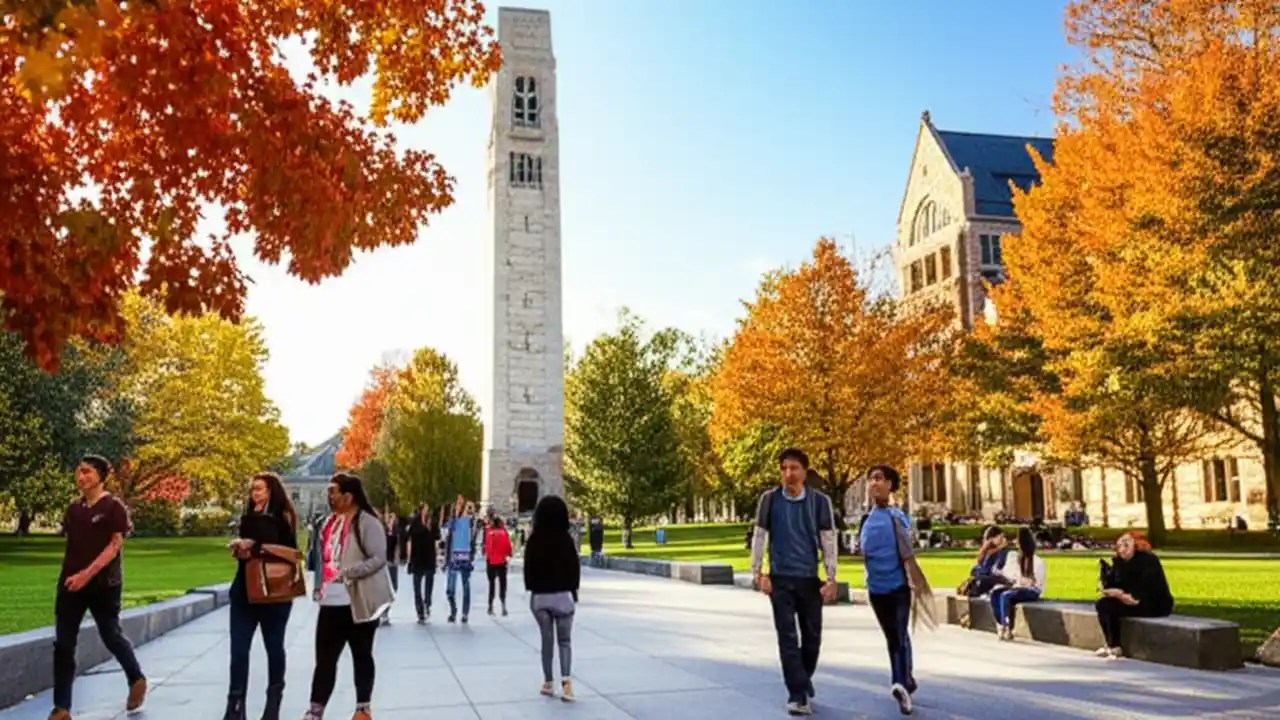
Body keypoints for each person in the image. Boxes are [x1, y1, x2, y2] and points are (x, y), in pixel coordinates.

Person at [49, 455, 147, 720]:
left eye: (87, 472)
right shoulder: (73, 509)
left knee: (111, 635)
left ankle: (136, 678)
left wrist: (87, 574)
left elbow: (115, 546)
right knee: (63, 644)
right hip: (71, 584)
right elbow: (75, 544)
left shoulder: (114, 506)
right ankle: (61, 707)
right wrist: (74, 576)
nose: (81, 477)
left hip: (104, 584)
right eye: (78, 472)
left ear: (101, 476)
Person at [749, 448, 839, 717]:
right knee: (787, 638)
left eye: (794, 468)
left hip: (809, 580)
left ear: (804, 471)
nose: (788, 473)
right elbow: (760, 536)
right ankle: (797, 694)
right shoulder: (769, 500)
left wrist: (832, 577)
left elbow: (828, 540)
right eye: (784, 468)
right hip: (780, 579)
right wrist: (758, 573)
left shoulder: (819, 502)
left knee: (812, 638)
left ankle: (802, 682)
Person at [303, 473, 393, 720]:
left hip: (358, 601)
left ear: (348, 496)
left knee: (362, 655)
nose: (329, 496)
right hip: (330, 603)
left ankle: (362, 708)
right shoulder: (328, 523)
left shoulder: (367, 522)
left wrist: (350, 573)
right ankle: (315, 711)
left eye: (333, 491)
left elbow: (378, 557)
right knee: (324, 660)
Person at [223, 473, 299, 720]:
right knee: (238, 651)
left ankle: (273, 702)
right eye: (252, 489)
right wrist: (242, 551)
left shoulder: (284, 518)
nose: (255, 493)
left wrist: (254, 547)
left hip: (275, 593)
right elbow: (248, 555)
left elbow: (290, 553)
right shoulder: (248, 517)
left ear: (271, 491)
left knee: (274, 647)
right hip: (245, 590)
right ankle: (235, 705)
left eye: (260, 489)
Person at [859, 464, 933, 716]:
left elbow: (907, 552)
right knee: (893, 637)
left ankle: (899, 683)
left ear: (890, 485)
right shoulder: (866, 520)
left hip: (898, 588)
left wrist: (915, 579)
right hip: (876, 590)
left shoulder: (897, 517)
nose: (874, 483)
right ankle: (907, 680)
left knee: (899, 635)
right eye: (870, 479)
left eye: (879, 479)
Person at [523, 494, 581, 701]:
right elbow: (575, 568)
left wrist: (532, 588)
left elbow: (528, 569)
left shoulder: (534, 539)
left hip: (541, 597)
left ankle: (548, 682)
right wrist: (574, 591)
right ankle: (566, 684)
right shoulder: (567, 540)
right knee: (565, 641)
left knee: (546, 641)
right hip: (563, 596)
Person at [1095, 532, 1173, 659]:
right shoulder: (1119, 562)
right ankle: (1113, 645)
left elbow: (1144, 589)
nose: (1122, 549)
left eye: (1126, 545)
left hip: (1154, 604)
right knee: (1103, 605)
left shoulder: (1148, 560)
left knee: (1111, 607)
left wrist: (1125, 595)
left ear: (1135, 545)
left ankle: (1114, 646)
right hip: (1129, 599)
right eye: (1119, 546)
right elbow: (1115, 585)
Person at [990, 526, 1046, 641]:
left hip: (1031, 591)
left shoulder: (1037, 561)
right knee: (995, 593)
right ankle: (1001, 622)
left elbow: (1038, 584)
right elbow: (1013, 576)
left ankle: (1007, 627)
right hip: (1018, 588)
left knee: (1006, 596)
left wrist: (1025, 582)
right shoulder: (1017, 558)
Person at [443, 496, 479, 623]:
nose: (459, 507)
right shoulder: (453, 522)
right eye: (457, 505)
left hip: (465, 557)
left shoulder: (470, 522)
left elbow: (475, 530)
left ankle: (465, 613)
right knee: (450, 590)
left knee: (466, 587)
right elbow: (445, 533)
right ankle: (453, 610)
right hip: (454, 558)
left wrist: (470, 509)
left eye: (460, 505)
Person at [406, 503, 440, 624]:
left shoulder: (433, 523)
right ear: (420, 510)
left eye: (428, 509)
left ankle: (427, 604)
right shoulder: (414, 523)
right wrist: (409, 560)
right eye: (425, 509)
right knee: (417, 587)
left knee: (429, 585)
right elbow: (409, 541)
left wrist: (437, 558)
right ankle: (419, 611)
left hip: (429, 557)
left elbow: (436, 541)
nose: (427, 511)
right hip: (417, 558)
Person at [962, 525, 1010, 598]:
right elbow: (998, 566)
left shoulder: (993, 549)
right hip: (988, 577)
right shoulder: (994, 550)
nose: (1003, 540)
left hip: (986, 577)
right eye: (1001, 537)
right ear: (993, 538)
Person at [485, 515, 514, 616]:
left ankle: (490, 606)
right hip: (502, 561)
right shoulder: (504, 533)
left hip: (491, 561)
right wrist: (509, 554)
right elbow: (508, 546)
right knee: (502, 584)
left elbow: (488, 547)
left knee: (491, 584)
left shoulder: (489, 532)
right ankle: (503, 605)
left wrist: (488, 557)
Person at [381, 512, 401, 626]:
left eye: (393, 520)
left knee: (394, 587)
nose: (391, 522)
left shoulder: (395, 534)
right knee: (384, 588)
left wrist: (396, 560)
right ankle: (383, 612)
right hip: (384, 564)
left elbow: (398, 548)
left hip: (393, 564)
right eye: (390, 519)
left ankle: (386, 610)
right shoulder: (382, 533)